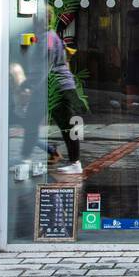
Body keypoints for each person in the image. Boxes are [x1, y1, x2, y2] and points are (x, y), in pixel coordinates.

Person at [48, 19, 85, 175]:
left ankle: (75, 162)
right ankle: (73, 161)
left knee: (68, 126)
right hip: (63, 86)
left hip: (61, 87)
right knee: (66, 126)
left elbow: (46, 63)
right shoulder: (52, 36)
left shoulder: (48, 37)